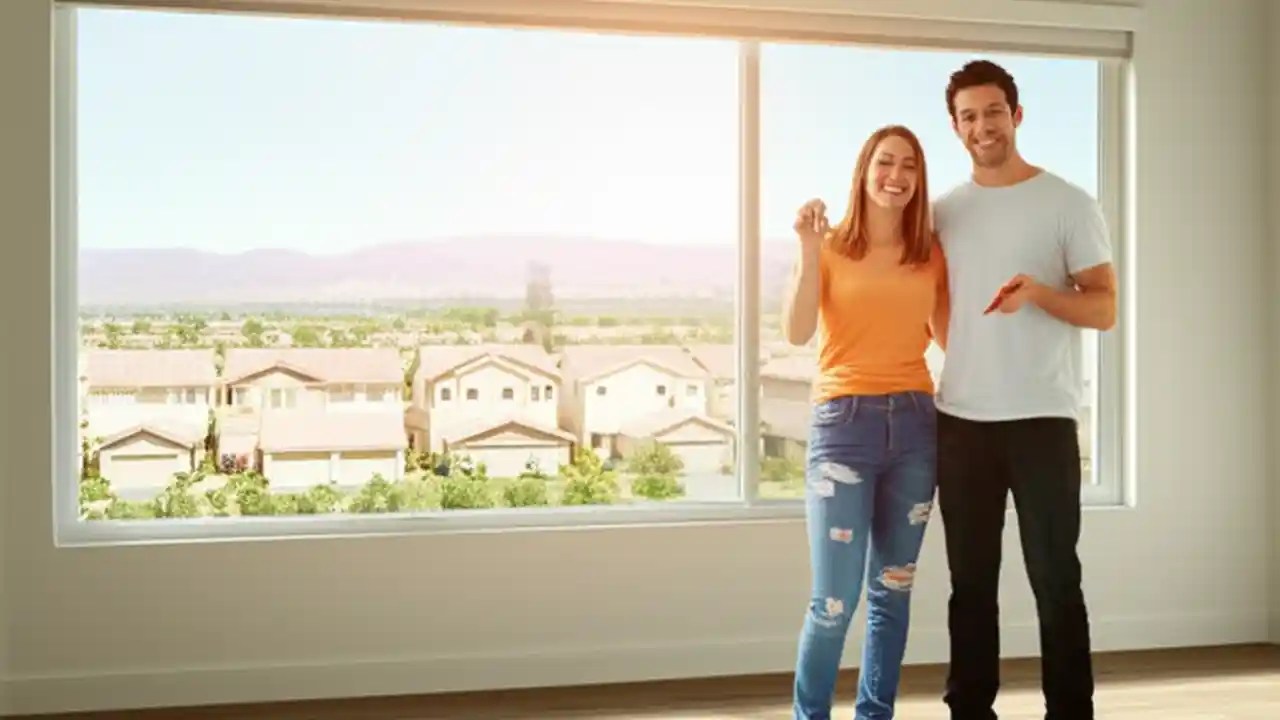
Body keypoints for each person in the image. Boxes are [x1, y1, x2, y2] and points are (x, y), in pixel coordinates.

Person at [931, 59, 1118, 720]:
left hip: (1043, 419)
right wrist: (974, 355)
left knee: (1055, 580)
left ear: (1017, 114)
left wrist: (1039, 293)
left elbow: (1104, 309)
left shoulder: (1068, 203)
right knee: (970, 585)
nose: (983, 126)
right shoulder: (944, 211)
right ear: (956, 129)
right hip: (961, 424)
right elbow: (937, 303)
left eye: (993, 111)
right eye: (968, 116)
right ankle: (969, 711)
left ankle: (1071, 711)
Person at [783, 124, 949, 720]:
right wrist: (806, 248)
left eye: (908, 166)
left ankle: (875, 715)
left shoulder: (930, 253)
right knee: (833, 601)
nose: (896, 176)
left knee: (893, 592)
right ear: (864, 169)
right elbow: (798, 331)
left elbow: (954, 339)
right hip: (843, 427)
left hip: (914, 428)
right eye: (885, 162)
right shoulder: (829, 248)